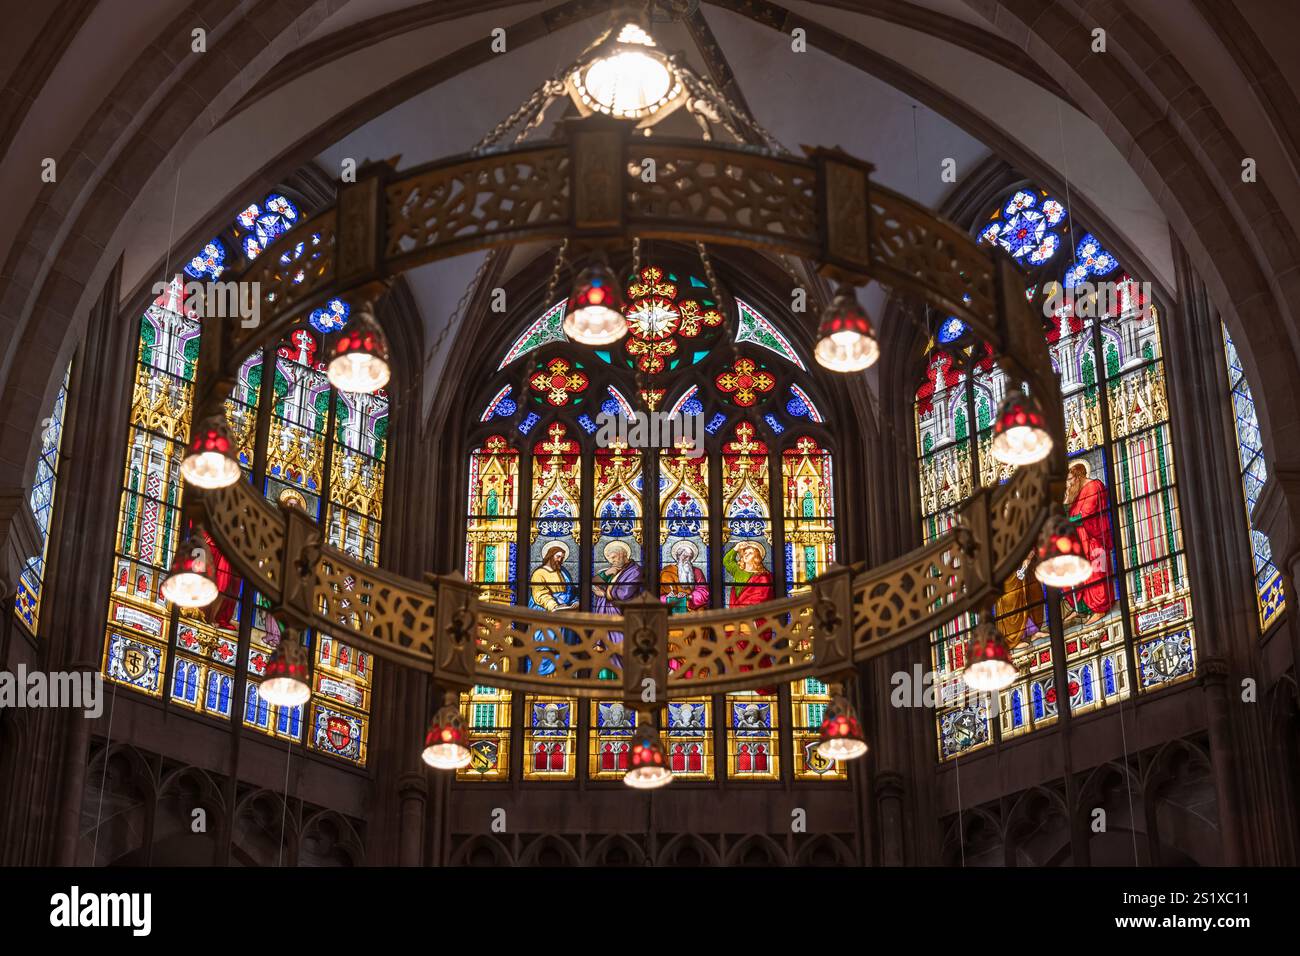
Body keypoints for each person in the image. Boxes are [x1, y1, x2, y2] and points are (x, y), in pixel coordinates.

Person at [1062, 459, 1114, 626]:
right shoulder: (1076, 492)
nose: (1068, 484)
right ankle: (1081, 609)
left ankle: (1100, 608)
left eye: (1070, 480)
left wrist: (1068, 521)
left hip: (1094, 540)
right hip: (1079, 540)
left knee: (1094, 574)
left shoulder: (1094, 486)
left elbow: (1088, 514)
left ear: (1078, 476)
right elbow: (1070, 512)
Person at [591, 540, 642, 614]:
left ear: (624, 554)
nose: (612, 561)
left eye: (614, 557)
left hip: (623, 611)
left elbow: (624, 594)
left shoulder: (635, 571)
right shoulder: (614, 569)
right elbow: (593, 581)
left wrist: (604, 594)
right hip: (607, 609)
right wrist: (606, 573)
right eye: (609, 559)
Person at [659, 539, 710, 613]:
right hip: (671, 607)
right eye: (685, 556)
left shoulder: (697, 571)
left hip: (692, 608)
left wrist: (688, 597)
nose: (687, 559)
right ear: (678, 556)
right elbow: (658, 595)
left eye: (690, 557)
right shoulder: (667, 571)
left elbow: (704, 591)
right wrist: (668, 598)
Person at [528, 542, 576, 612]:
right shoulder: (539, 573)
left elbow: (571, 590)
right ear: (550, 556)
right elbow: (541, 595)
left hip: (566, 606)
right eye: (558, 556)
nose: (560, 560)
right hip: (547, 607)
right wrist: (555, 606)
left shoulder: (563, 571)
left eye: (562, 558)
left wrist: (575, 601)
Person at [724, 541, 772, 606]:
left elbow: (761, 598)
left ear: (757, 557)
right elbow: (727, 561)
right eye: (745, 553)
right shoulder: (738, 571)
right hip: (736, 610)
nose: (746, 555)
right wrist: (736, 548)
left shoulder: (763, 576)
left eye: (750, 553)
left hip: (753, 612)